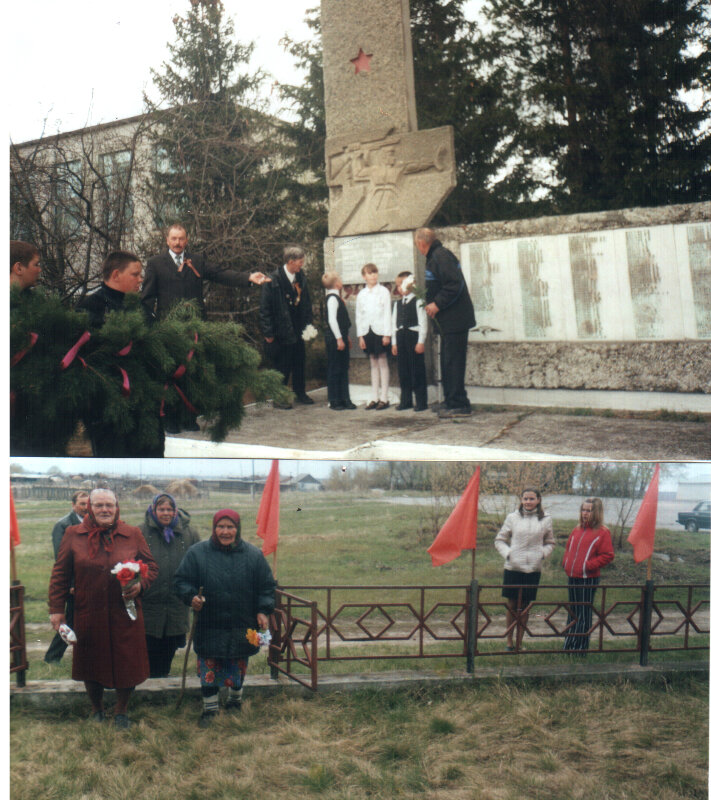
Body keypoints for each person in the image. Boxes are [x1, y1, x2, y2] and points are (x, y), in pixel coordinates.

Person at [48, 488, 158, 728]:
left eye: (109, 505)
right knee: (91, 660)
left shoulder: (132, 533)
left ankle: (121, 711)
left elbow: (151, 566)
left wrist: (140, 585)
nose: (105, 509)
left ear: (117, 507)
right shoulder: (73, 534)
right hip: (88, 611)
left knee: (127, 661)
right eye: (99, 505)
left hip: (124, 612)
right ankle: (96, 708)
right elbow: (60, 574)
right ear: (90, 508)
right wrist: (56, 609)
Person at [173, 509, 276, 728]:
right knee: (209, 664)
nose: (225, 531)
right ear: (214, 528)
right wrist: (191, 597)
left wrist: (263, 610)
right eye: (221, 527)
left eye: (230, 527)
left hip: (242, 621)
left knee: (238, 662)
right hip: (209, 622)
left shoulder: (253, 555)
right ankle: (210, 709)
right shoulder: (197, 553)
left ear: (238, 529)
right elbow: (181, 581)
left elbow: (266, 586)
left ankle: (235, 701)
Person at [141, 223, 269, 321]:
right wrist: (150, 325)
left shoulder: (197, 261)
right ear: (167, 240)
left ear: (186, 240)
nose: (177, 243)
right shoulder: (155, 263)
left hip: (195, 325)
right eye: (174, 239)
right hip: (167, 326)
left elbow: (220, 274)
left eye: (181, 239)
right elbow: (147, 298)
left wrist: (249, 277)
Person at [414, 228, 475, 418]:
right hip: (447, 321)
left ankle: (459, 404)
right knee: (447, 361)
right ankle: (450, 401)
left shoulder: (441, 256)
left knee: (453, 362)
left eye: (417, 245)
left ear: (421, 243)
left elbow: (455, 284)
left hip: (456, 320)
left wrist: (437, 304)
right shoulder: (435, 256)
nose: (417, 248)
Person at [139, 493, 201, 678]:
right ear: (153, 510)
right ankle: (148, 681)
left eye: (169, 509)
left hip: (176, 603)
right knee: (147, 647)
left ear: (175, 511)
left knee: (169, 648)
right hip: (149, 603)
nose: (166, 513)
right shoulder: (140, 532)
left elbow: (198, 563)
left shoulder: (189, 533)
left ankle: (161, 678)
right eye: (161, 509)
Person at [495, 488, 555, 651]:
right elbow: (499, 540)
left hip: (533, 569)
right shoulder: (512, 517)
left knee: (525, 606)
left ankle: (519, 643)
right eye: (525, 499)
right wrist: (509, 554)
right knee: (512, 605)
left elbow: (550, 542)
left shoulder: (546, 519)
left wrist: (542, 554)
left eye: (531, 499)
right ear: (521, 500)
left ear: (538, 500)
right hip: (513, 568)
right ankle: (509, 642)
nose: (528, 502)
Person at [259, 245, 314, 408]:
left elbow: (306, 302)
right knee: (282, 365)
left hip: (298, 328)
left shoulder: (301, 277)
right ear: (290, 261)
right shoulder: (273, 280)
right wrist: (268, 332)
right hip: (281, 330)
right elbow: (265, 309)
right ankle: (279, 397)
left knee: (299, 362)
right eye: (300, 262)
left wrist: (308, 324)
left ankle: (300, 393)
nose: (302, 265)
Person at [562, 497, 615, 653]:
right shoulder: (577, 529)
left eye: (589, 511)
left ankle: (579, 649)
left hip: (587, 578)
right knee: (573, 612)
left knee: (583, 613)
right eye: (583, 510)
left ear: (597, 512)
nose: (585, 513)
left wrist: (587, 566)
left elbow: (608, 555)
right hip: (573, 576)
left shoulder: (603, 532)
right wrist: (566, 563)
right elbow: (568, 549)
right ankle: (568, 645)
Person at [44, 491, 90, 664]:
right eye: (82, 504)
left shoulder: (92, 524)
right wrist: (71, 583)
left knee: (77, 619)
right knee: (71, 620)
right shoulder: (63, 525)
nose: (85, 507)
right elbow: (61, 559)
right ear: (73, 505)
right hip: (73, 583)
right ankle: (52, 657)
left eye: (88, 504)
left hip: (88, 580)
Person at [356, 263, 392, 410]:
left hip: (380, 331)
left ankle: (384, 398)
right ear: (364, 276)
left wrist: (387, 334)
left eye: (375, 272)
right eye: (370, 273)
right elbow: (359, 316)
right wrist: (360, 336)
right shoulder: (361, 294)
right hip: (367, 331)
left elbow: (387, 313)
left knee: (382, 361)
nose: (373, 276)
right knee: (373, 363)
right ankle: (374, 397)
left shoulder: (383, 291)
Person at [390, 271, 428, 412]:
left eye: (402, 284)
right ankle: (406, 401)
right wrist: (394, 342)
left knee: (416, 369)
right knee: (403, 370)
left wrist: (421, 341)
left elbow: (423, 323)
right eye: (397, 285)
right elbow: (394, 324)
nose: (399, 288)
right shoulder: (398, 304)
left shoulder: (418, 301)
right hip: (401, 337)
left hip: (413, 337)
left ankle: (421, 401)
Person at [75, 250, 143, 327]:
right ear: (116, 275)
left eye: (140, 275)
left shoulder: (141, 306)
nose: (140, 280)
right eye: (135, 275)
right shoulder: (89, 309)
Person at [322, 271, 356, 411]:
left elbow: (341, 321)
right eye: (340, 279)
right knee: (335, 368)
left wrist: (345, 337)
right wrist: (339, 339)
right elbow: (332, 321)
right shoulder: (332, 299)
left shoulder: (337, 298)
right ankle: (334, 399)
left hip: (341, 336)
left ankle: (345, 398)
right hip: (335, 338)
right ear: (336, 284)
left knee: (343, 367)